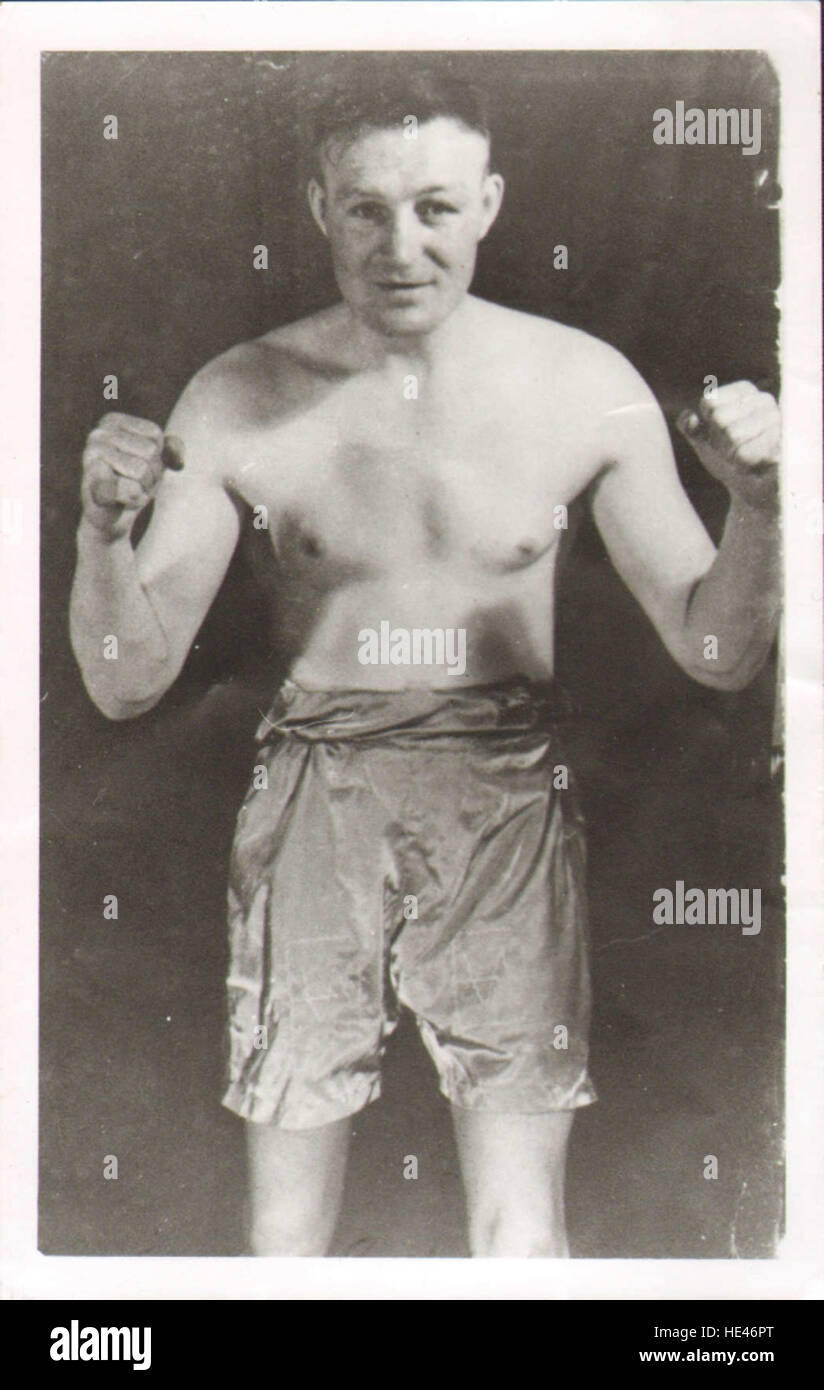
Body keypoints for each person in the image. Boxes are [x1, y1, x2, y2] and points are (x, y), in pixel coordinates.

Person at [69, 66, 781, 1257]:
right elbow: (120, 679)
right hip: (314, 797)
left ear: (490, 202)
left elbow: (714, 655)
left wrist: (761, 508)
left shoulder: (583, 388)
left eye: (436, 207)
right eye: (366, 208)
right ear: (317, 206)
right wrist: (98, 536)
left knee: (519, 1222)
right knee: (286, 1230)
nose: (402, 246)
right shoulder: (240, 394)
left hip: (505, 802)